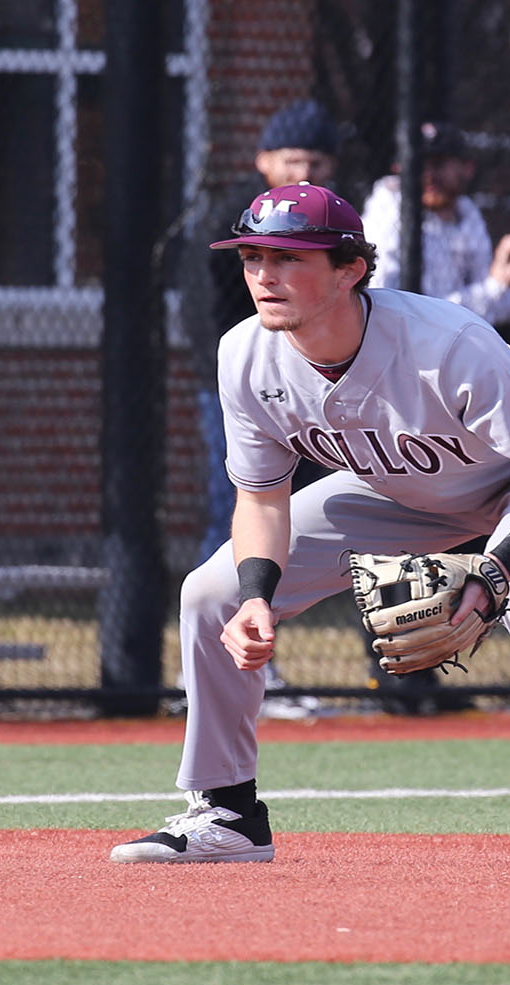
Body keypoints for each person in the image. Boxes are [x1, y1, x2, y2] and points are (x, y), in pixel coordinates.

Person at [110, 183, 510, 874]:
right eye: (251, 257)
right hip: (402, 489)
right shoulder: (246, 356)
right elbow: (261, 498)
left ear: (350, 269)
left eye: (289, 257)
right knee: (211, 592)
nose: (264, 276)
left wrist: (495, 568)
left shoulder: (444, 343)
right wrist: (255, 596)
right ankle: (228, 812)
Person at [176, 99, 341, 721]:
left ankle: (260, 664)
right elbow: (203, 313)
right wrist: (225, 382)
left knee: (300, 523)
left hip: (311, 395)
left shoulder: (332, 227)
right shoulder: (231, 219)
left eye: (316, 160)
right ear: (263, 160)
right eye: (292, 157)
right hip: (241, 394)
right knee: (236, 518)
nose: (304, 169)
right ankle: (220, 668)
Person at [360, 122, 510, 324]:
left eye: (438, 164)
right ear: (400, 169)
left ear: (467, 168)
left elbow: (486, 306)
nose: (428, 176)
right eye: (418, 165)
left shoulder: (467, 214)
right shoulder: (386, 215)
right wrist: (493, 288)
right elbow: (392, 313)